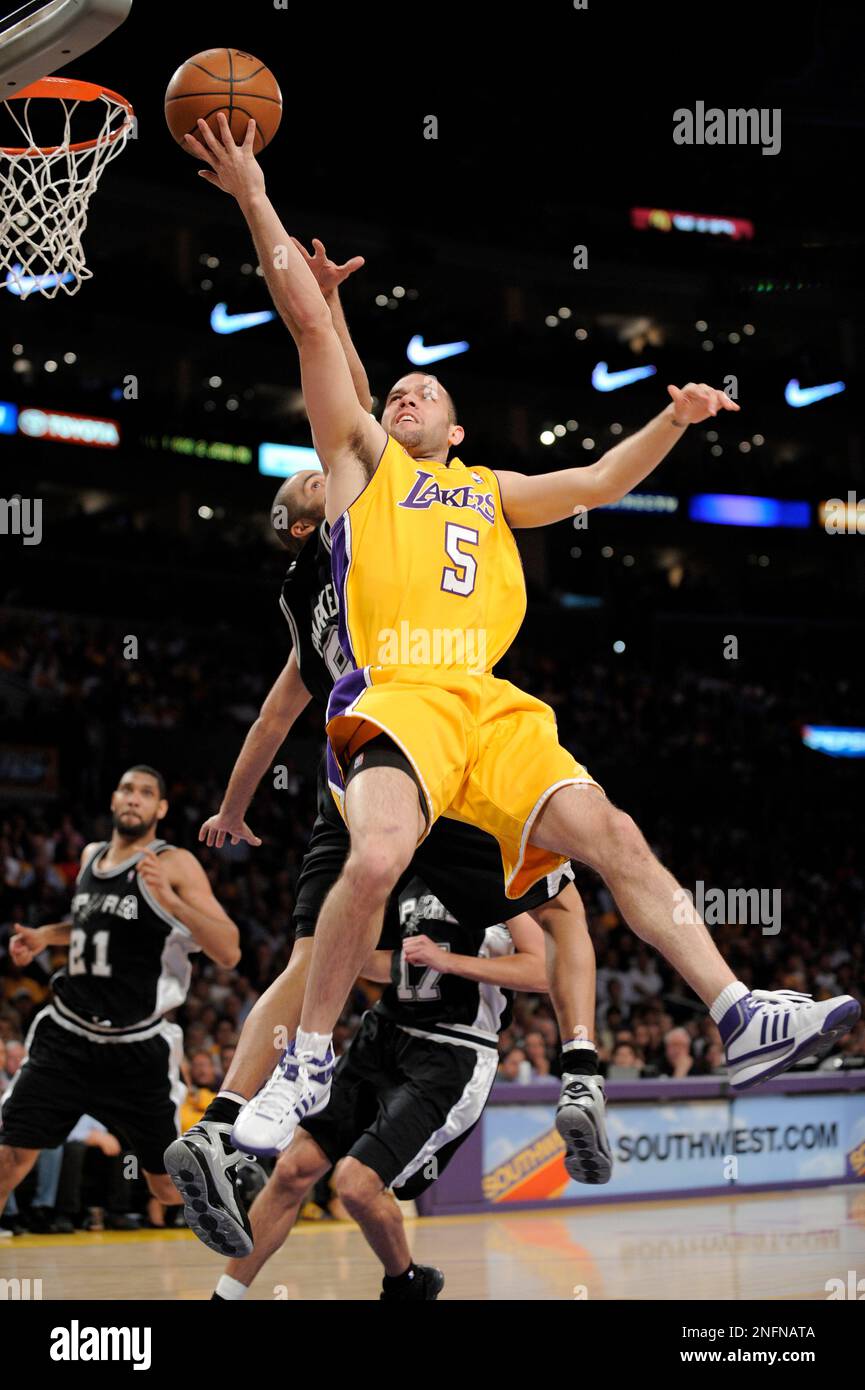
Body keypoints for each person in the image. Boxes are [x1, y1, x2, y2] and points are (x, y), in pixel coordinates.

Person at [188, 115, 858, 1152]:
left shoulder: (492, 492)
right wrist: (253, 196)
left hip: (490, 703)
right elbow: (314, 334)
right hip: (399, 686)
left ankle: (738, 1010)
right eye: (395, 387)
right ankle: (304, 1067)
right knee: (370, 860)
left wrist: (672, 420)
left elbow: (595, 480)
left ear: (456, 427)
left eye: (425, 392)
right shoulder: (368, 470)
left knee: (612, 835)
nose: (403, 394)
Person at [166, 251, 604, 1259]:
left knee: (315, 953)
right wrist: (323, 307)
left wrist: (233, 810)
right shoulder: (364, 526)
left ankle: (228, 1125)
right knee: (561, 896)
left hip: (355, 779)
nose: (326, 462)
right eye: (314, 476)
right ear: (308, 517)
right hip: (415, 756)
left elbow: (276, 715)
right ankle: (580, 1062)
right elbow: (356, 401)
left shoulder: (310, 587)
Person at [209, 879, 549, 1302]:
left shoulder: (499, 882)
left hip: (452, 1053)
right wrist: (338, 950)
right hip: (383, 1035)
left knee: (356, 1185)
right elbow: (387, 963)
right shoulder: (409, 875)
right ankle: (224, 1297)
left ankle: (403, 1282)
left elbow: (543, 971)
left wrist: (448, 961)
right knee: (293, 1168)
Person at [0, 766, 241, 1221]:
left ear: (161, 808)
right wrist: (43, 937)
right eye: (127, 790)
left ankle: (233, 1176)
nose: (134, 799)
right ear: (113, 799)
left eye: (146, 793)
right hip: (67, 1036)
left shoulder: (173, 863)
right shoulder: (92, 856)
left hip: (135, 1048)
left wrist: (170, 902)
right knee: (10, 1157)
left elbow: (228, 949)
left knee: (167, 1189)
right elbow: (91, 927)